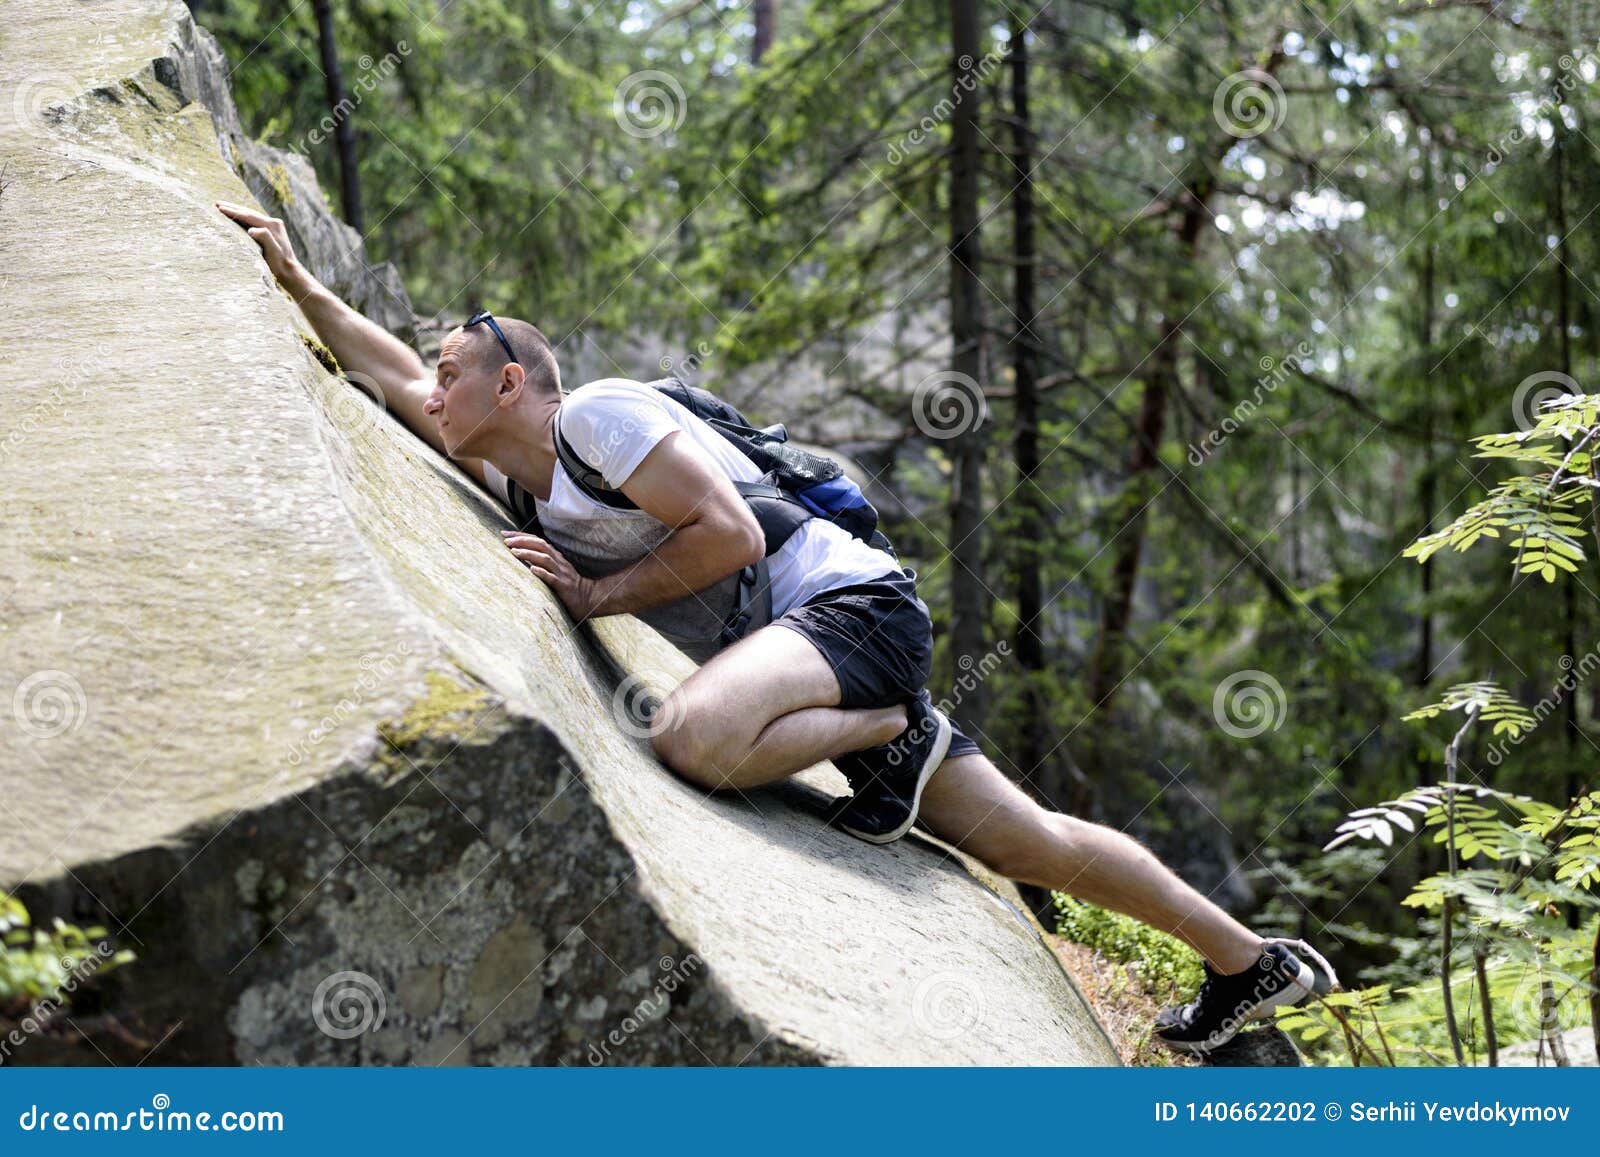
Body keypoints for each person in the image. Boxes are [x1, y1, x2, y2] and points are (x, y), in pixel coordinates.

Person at [218, 200, 1338, 1056]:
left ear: (514, 383)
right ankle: (1249, 961)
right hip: (809, 658)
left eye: (455, 374)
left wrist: (597, 595)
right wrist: (290, 272)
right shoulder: (516, 472)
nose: (431, 391)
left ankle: (882, 727)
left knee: (693, 737)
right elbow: (389, 369)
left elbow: (728, 536)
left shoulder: (598, 417)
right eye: (435, 378)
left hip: (847, 613)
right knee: (1025, 841)